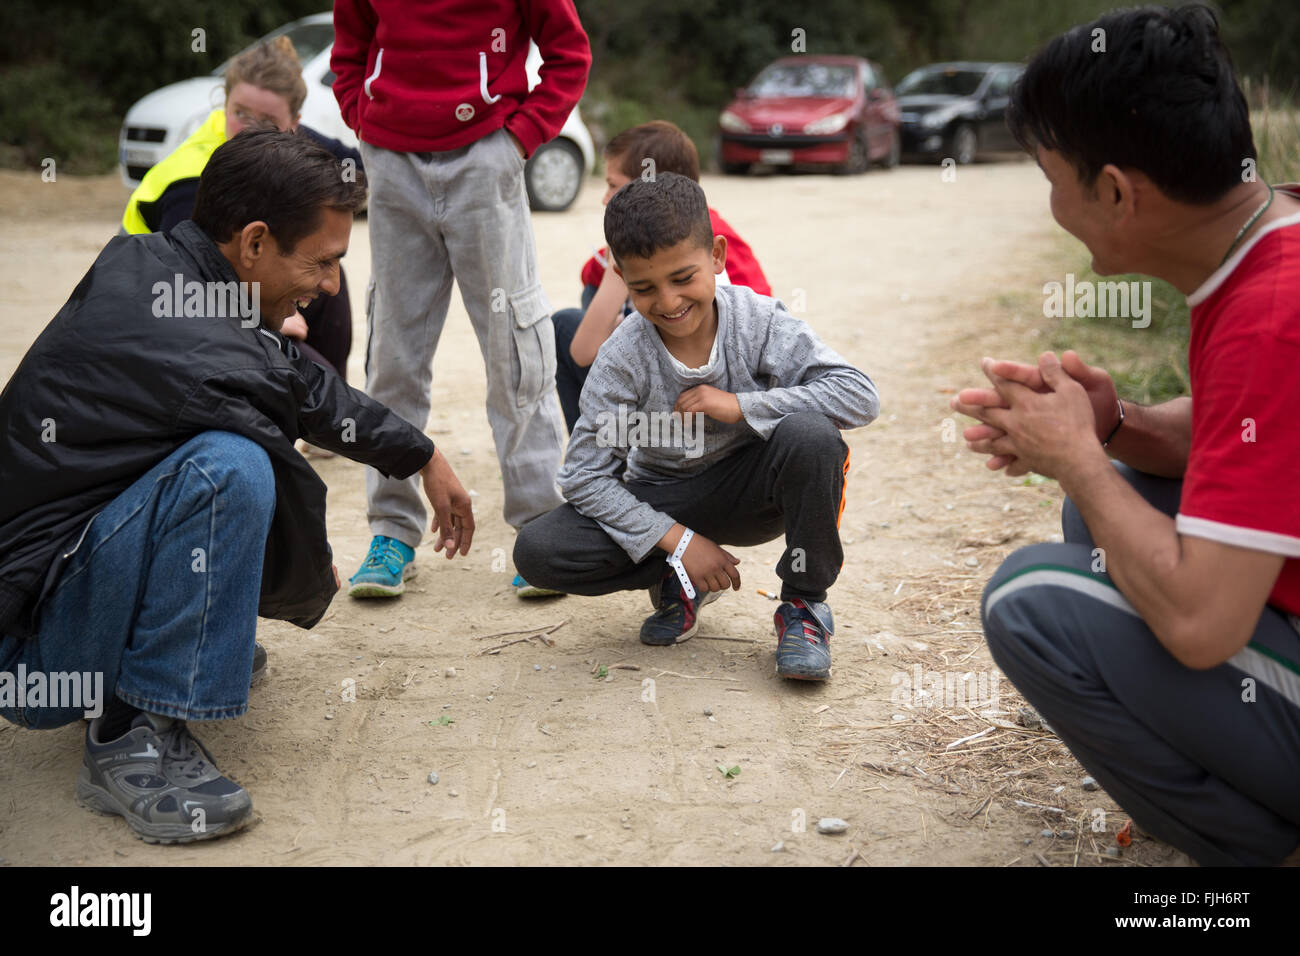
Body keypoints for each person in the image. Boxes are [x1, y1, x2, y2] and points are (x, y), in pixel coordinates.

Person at [0, 130, 474, 844]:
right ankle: (128, 737)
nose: (329, 285)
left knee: (225, 457)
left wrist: (422, 453)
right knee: (233, 466)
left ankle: (175, 654)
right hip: (33, 650)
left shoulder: (157, 268)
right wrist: (318, 570)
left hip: (55, 596)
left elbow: (295, 373)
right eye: (322, 262)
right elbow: (292, 401)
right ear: (253, 243)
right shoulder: (190, 338)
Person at [950, 4, 1300, 865]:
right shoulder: (1270, 238)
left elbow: (1202, 628)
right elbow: (1245, 437)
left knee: (1027, 601)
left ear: (1114, 191)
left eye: (1051, 178)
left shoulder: (1272, 315)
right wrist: (1113, 426)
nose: (1052, 204)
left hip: (1230, 621)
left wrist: (1074, 458)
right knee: (1106, 518)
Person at [513, 173, 878, 681]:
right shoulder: (623, 358)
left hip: (751, 496)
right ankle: (678, 577)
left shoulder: (757, 320)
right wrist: (680, 542)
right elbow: (584, 477)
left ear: (717, 257)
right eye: (643, 288)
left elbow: (859, 395)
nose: (667, 301)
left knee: (812, 436)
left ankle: (803, 606)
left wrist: (740, 405)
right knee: (539, 550)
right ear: (620, 276)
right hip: (665, 498)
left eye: (683, 277)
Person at [331, 0, 591, 600]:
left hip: (486, 157)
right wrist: (363, 120)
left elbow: (569, 54)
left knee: (516, 351)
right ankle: (392, 531)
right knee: (393, 354)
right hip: (391, 163)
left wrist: (519, 138)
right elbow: (349, 50)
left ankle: (540, 534)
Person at [122, 36, 360, 386]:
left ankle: (330, 419)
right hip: (163, 303)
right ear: (224, 105)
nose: (249, 127)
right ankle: (331, 411)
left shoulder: (281, 142)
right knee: (280, 337)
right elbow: (188, 279)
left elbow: (357, 165)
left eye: (266, 121)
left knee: (324, 280)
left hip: (218, 290)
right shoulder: (193, 176)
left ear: (294, 123)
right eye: (240, 113)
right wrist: (260, 316)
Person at [552, 120, 771, 432]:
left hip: (699, 403)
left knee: (564, 324)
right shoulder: (701, 229)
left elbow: (583, 352)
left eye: (613, 186)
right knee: (592, 294)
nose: (604, 199)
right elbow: (590, 270)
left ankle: (606, 454)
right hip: (704, 396)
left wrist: (618, 280)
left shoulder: (682, 246)